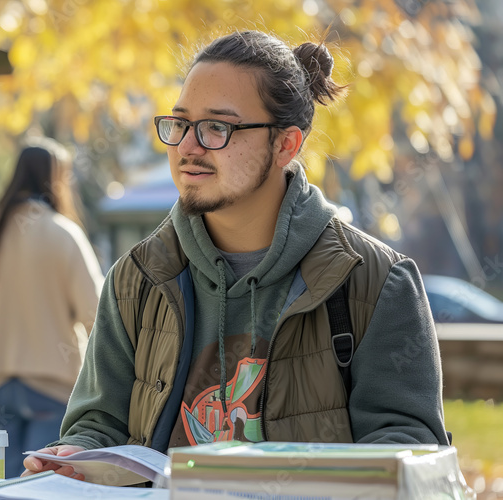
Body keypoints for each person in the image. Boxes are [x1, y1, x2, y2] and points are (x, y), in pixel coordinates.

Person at [25, 30, 450, 479]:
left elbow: (411, 451)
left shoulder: (376, 280)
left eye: (216, 127)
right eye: (181, 123)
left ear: (286, 144)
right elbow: (99, 426)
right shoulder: (136, 279)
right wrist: (72, 458)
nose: (187, 147)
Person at [0, 138, 103, 478]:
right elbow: (96, 314)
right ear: (57, 179)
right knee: (39, 484)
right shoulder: (64, 234)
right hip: (53, 384)